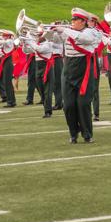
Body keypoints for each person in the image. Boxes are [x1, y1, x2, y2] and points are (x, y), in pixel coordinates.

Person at [46, 8, 99, 143]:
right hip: (68, 69)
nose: (72, 22)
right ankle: (73, 133)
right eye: (72, 20)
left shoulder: (90, 32)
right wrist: (51, 29)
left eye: (75, 20)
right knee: (68, 105)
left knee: (83, 103)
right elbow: (52, 40)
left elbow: (84, 39)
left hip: (84, 69)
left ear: (83, 21)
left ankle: (87, 133)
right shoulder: (68, 32)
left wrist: (64, 29)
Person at [27, 31, 55, 118]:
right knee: (41, 90)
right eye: (37, 35)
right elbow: (26, 51)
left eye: (39, 35)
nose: (38, 37)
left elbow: (39, 49)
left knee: (47, 91)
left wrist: (29, 40)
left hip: (47, 68)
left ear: (44, 36)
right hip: (38, 67)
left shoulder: (48, 44)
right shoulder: (37, 44)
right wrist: (25, 43)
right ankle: (47, 109)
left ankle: (48, 111)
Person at [88, 14, 105, 122]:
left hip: (93, 60)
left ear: (94, 23)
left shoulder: (97, 33)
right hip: (82, 61)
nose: (88, 23)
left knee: (94, 89)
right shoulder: (83, 31)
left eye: (90, 21)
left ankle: (96, 113)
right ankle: (86, 112)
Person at [0, 30, 17, 108]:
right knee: (6, 82)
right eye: (3, 36)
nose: (3, 37)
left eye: (5, 36)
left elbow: (4, 43)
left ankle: (11, 101)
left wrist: (0, 40)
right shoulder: (7, 41)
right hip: (6, 62)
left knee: (8, 82)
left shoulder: (9, 41)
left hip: (8, 63)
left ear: (9, 36)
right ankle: (11, 100)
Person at [51, 21, 65, 111]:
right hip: (53, 60)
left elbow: (53, 40)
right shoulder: (55, 34)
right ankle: (58, 102)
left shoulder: (59, 35)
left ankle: (59, 103)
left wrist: (52, 29)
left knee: (57, 83)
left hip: (57, 60)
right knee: (55, 83)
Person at [22, 35, 38, 105]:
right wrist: (25, 44)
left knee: (33, 80)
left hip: (36, 59)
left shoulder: (35, 37)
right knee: (33, 81)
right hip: (30, 59)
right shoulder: (29, 37)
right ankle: (30, 99)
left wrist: (28, 41)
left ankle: (29, 99)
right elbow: (25, 51)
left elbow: (35, 49)